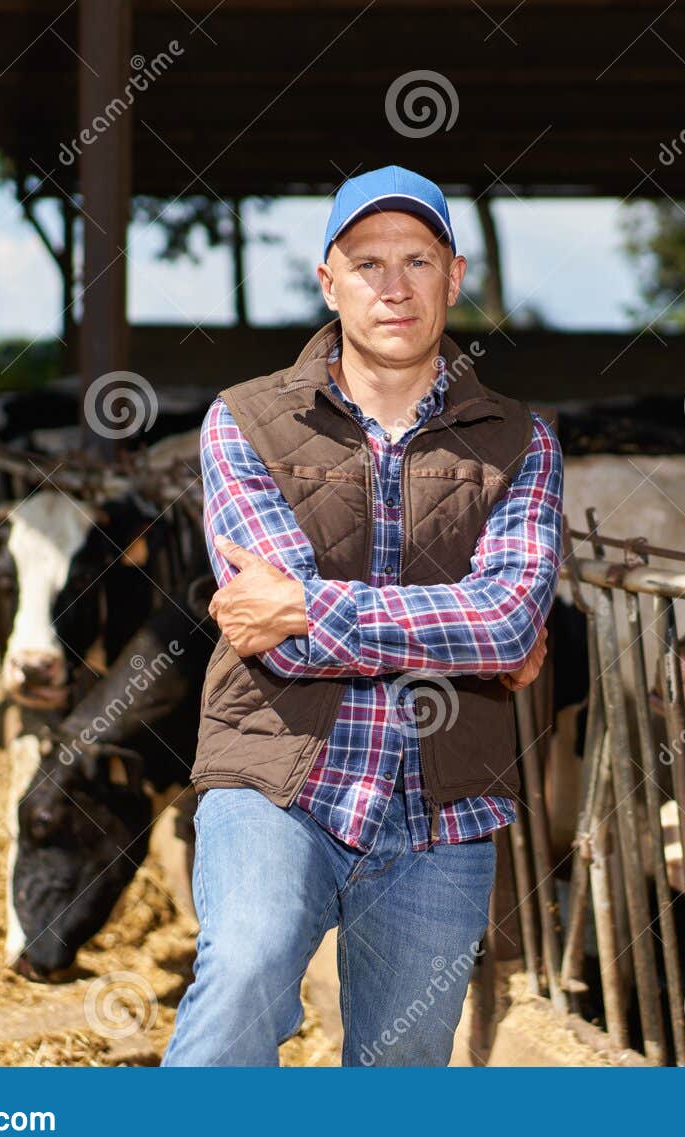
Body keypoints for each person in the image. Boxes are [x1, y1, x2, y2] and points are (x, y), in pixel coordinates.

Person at [160, 165, 563, 1067]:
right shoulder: (244, 421)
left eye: (418, 260)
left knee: (404, 1065)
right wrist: (459, 629)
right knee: (243, 976)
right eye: (368, 261)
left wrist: (306, 602)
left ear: (453, 279)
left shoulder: (521, 440)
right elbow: (281, 648)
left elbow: (504, 624)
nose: (394, 285)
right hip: (277, 775)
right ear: (328, 280)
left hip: (443, 807)